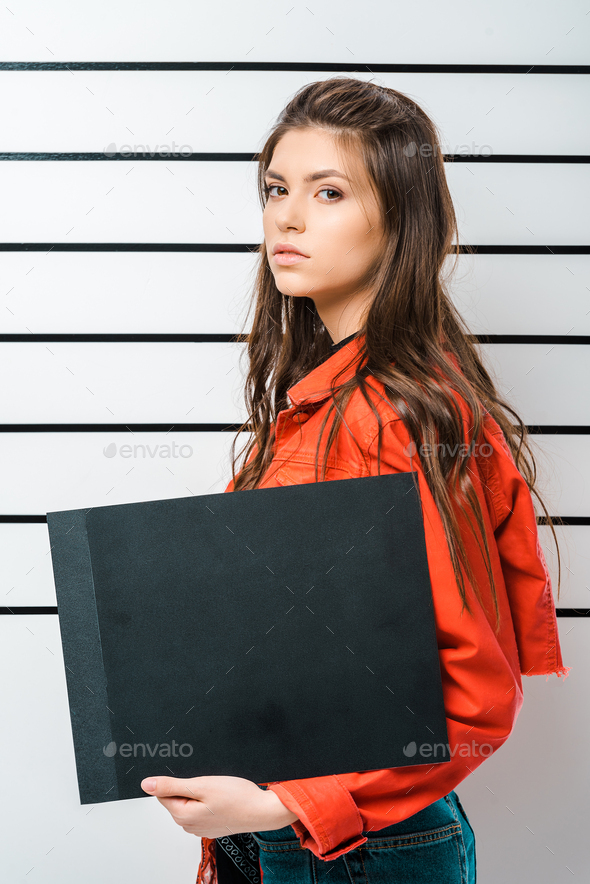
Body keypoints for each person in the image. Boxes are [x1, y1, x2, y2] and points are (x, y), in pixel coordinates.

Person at [140, 77, 570, 884]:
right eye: (277, 189)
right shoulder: (325, 401)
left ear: (401, 220)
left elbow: (476, 694)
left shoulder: (395, 415)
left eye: (328, 192)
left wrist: (286, 806)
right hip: (302, 834)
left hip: (355, 848)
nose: (287, 217)